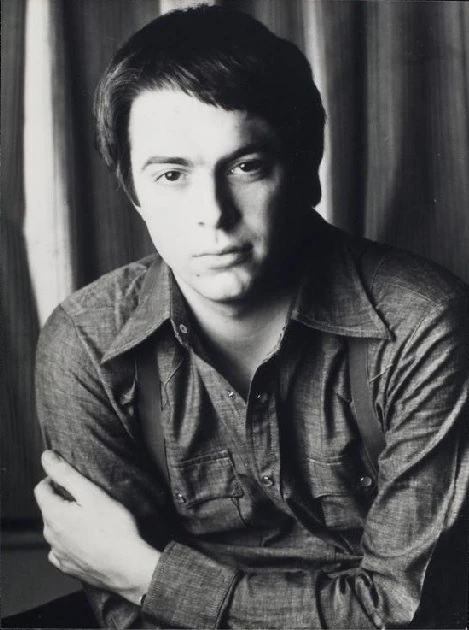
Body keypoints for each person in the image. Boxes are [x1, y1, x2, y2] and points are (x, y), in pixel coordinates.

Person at [31, 5, 468, 629]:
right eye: (172, 174)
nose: (213, 213)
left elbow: (400, 611)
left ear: (307, 170)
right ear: (133, 193)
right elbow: (121, 609)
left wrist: (146, 575)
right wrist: (132, 580)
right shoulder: (87, 341)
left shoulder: (421, 323)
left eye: (245, 166)